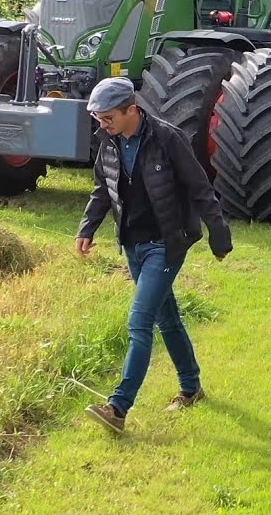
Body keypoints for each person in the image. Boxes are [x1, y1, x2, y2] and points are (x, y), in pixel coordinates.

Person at [75, 77, 233, 434]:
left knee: (139, 321)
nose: (103, 124)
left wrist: (219, 236)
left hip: (166, 242)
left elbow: (200, 189)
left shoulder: (168, 139)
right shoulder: (109, 142)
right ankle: (191, 388)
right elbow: (103, 189)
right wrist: (87, 228)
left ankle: (118, 407)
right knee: (167, 318)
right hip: (133, 243)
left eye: (108, 117)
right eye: (99, 118)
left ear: (132, 109)